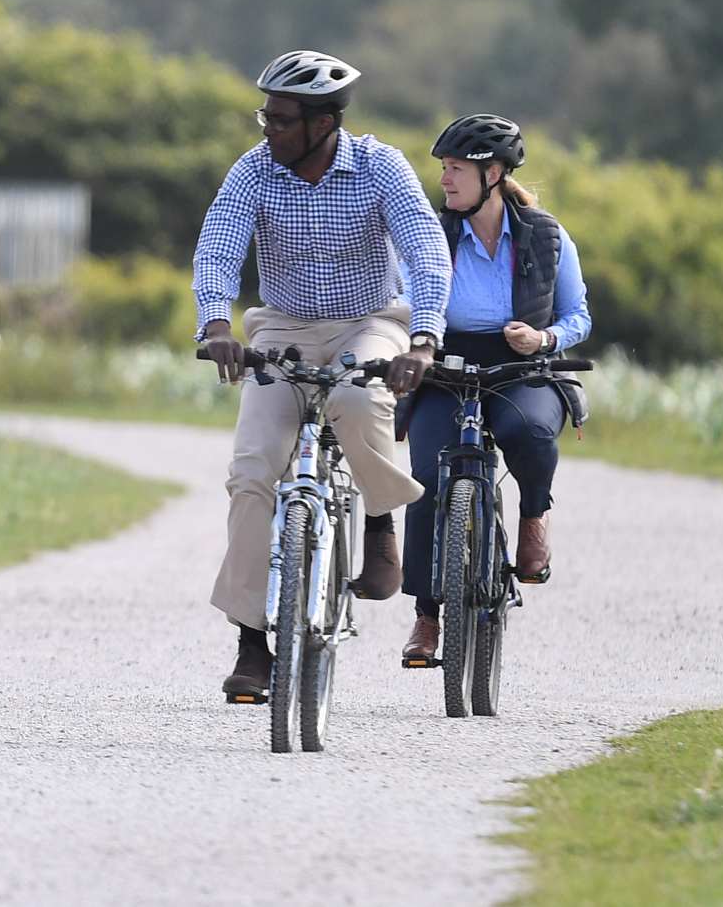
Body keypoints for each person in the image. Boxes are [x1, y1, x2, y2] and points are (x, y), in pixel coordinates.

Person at [194, 49, 452, 702]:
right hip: (282, 326)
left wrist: (424, 340)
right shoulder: (254, 170)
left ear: (324, 123)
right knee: (253, 469)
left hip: (371, 321)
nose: (268, 130)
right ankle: (251, 642)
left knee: (357, 402)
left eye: (281, 120)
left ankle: (380, 523)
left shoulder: (379, 166)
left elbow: (426, 251)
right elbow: (218, 246)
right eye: (266, 116)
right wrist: (216, 325)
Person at [398, 114, 591, 664]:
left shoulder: (546, 236)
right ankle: (427, 615)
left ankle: (533, 517)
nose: (444, 179)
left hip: (521, 367)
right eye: (444, 168)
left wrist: (544, 338)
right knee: (428, 477)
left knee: (530, 432)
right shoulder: (432, 234)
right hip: (445, 367)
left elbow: (578, 315)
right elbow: (405, 297)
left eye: (456, 168)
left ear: (493, 174)